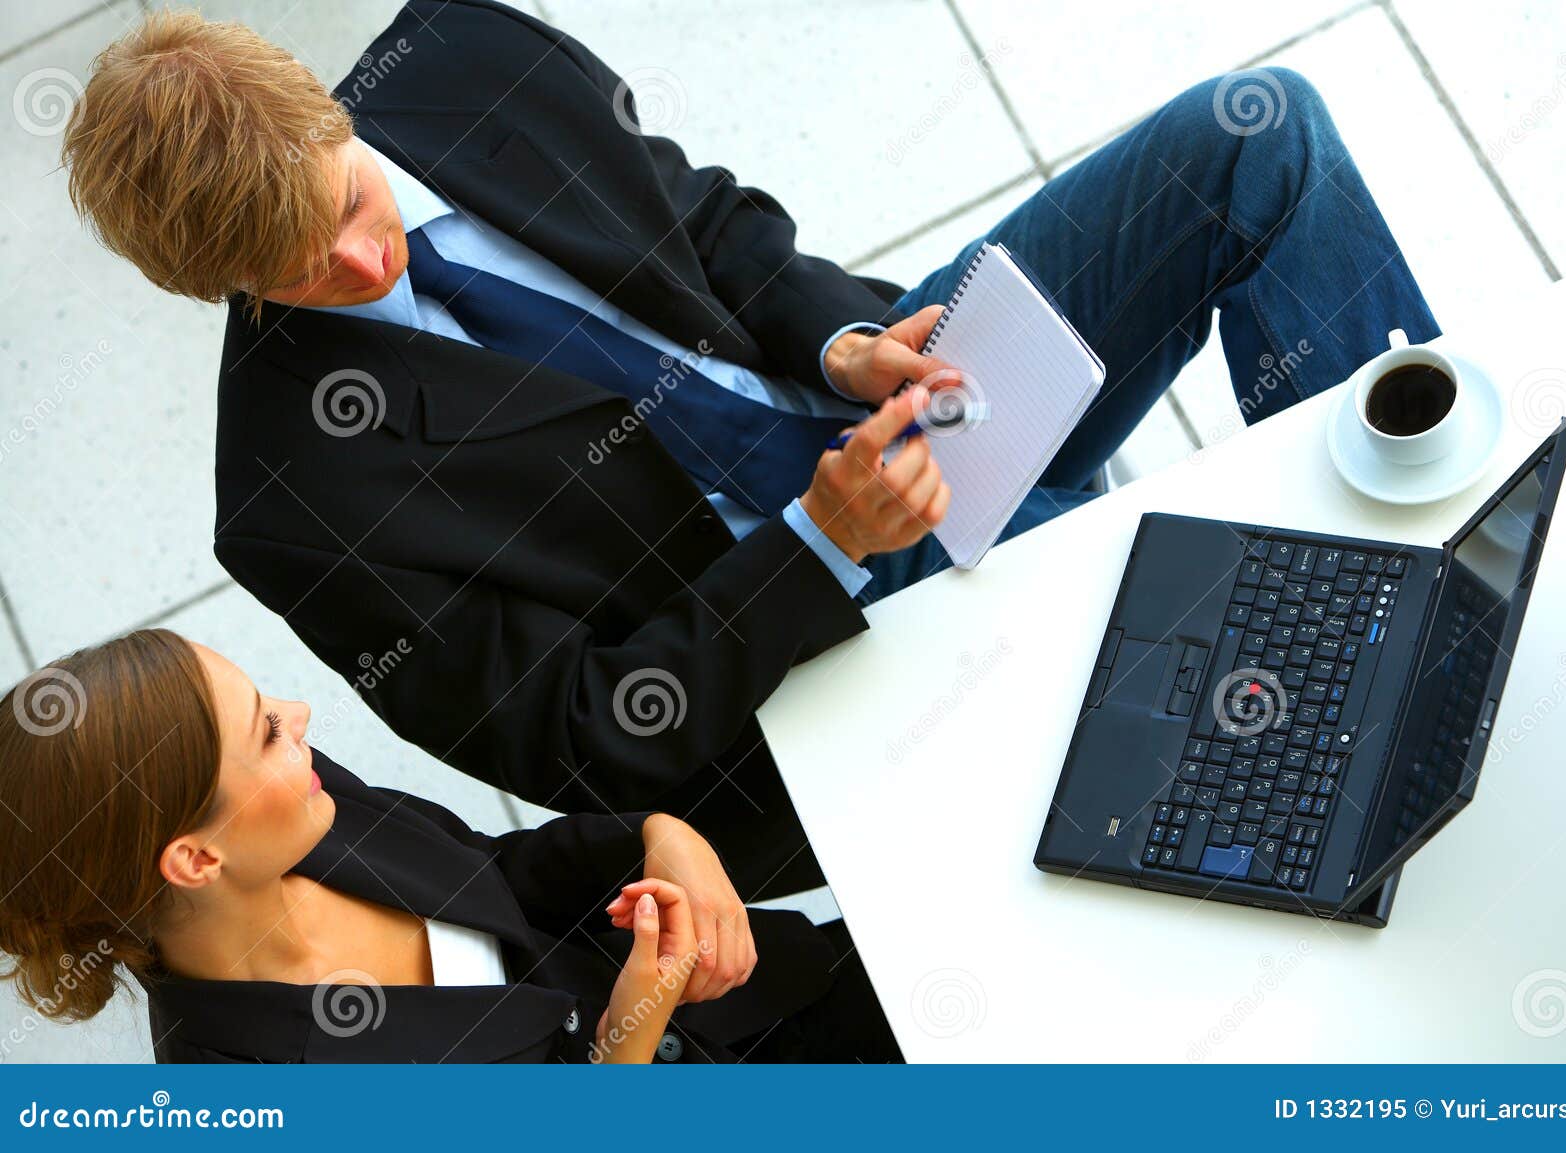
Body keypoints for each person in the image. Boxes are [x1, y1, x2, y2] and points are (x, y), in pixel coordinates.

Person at [59, 4, 1438, 898]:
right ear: (218, 289)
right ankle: (1371, 669)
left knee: (1259, 143)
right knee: (1167, 617)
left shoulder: (460, 55)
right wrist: (825, 542)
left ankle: (1431, 533)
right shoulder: (294, 505)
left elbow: (707, 223)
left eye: (353, 200)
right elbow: (587, 742)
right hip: (784, 638)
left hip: (858, 407)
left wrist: (837, 341)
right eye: (307, 275)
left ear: (332, 104)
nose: (366, 260)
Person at [0, 630, 899, 1062]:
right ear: (195, 858)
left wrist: (664, 840)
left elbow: (500, 870)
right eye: (267, 731)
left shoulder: (307, 807)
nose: (300, 717)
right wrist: (632, 1025)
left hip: (764, 1007)